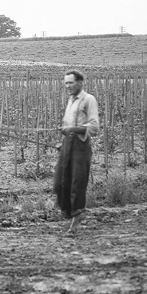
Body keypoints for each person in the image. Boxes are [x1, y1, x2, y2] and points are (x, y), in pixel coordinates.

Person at [54, 69, 100, 236]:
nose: (68, 86)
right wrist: (63, 142)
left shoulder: (89, 99)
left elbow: (94, 127)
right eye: (66, 83)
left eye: (71, 82)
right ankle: (70, 213)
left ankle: (75, 222)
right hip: (67, 145)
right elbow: (68, 126)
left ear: (80, 82)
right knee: (60, 183)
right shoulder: (70, 100)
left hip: (81, 147)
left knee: (76, 184)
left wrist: (72, 129)